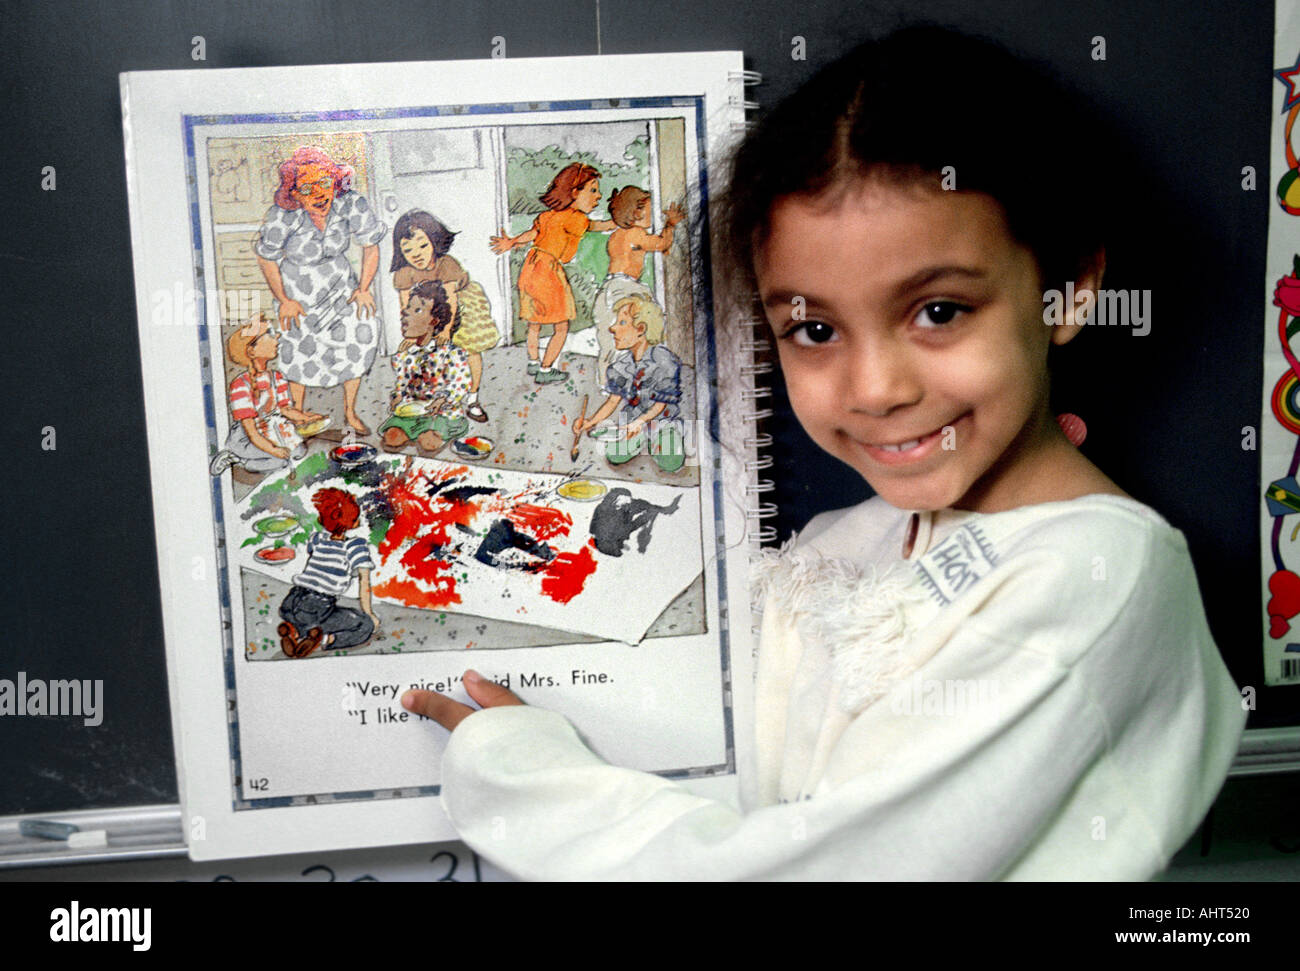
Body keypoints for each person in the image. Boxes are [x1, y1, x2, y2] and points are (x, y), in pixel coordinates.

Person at [400, 25, 1247, 879]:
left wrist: (517, 771)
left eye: (940, 311)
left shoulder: (1098, 575)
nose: (874, 387)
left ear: (1067, 291)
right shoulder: (845, 543)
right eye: (813, 329)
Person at [255, 146, 387, 437]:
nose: (318, 192)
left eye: (325, 183)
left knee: (360, 332)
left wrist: (364, 289)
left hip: (340, 285)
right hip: (297, 291)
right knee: (297, 348)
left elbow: (370, 244)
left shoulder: (350, 203)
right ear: (295, 193)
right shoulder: (283, 216)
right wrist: (284, 300)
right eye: (307, 187)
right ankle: (297, 415)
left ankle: (350, 412)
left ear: (335, 183)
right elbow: (266, 256)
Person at [490, 163, 616, 384]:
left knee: (534, 323)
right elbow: (598, 227)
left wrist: (511, 242)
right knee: (561, 326)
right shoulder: (575, 218)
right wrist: (618, 222)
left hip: (531, 267)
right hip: (548, 271)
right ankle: (546, 370)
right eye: (593, 190)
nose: (598, 196)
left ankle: (533, 362)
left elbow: (532, 233)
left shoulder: (548, 216)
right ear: (575, 192)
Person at [390, 210, 498, 423]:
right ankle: (435, 398)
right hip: (428, 307)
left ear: (434, 241)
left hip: (461, 303)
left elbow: (451, 299)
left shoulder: (447, 264)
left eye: (422, 245)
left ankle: (473, 399)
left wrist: (447, 330)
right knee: (429, 353)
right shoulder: (403, 272)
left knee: (468, 349)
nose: (416, 254)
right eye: (408, 249)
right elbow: (405, 305)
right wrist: (412, 333)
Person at [574, 295, 685, 473]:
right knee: (614, 455)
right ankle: (639, 439)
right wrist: (590, 422)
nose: (612, 328)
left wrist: (641, 422)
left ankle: (662, 438)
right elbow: (612, 401)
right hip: (631, 423)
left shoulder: (665, 362)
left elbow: (660, 405)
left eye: (622, 323)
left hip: (661, 420)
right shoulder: (620, 366)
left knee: (671, 463)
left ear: (641, 329)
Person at [591, 187, 685, 391]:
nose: (654, 216)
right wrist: (670, 225)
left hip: (609, 286)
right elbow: (662, 243)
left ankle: (606, 383)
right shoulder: (636, 234)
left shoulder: (617, 235)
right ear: (638, 212)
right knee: (642, 328)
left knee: (608, 339)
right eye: (652, 210)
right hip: (625, 288)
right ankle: (640, 377)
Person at [209, 313, 321, 477]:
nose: (277, 336)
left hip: (273, 428)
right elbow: (252, 432)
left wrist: (305, 418)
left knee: (299, 451)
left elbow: (285, 409)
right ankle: (236, 458)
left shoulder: (277, 377)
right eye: (269, 333)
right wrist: (273, 449)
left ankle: (265, 455)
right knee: (279, 461)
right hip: (247, 438)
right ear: (252, 350)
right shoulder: (240, 385)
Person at [278, 488, 379, 658]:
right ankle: (325, 639)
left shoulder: (317, 538)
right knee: (364, 625)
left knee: (307, 618)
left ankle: (294, 630)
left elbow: (318, 562)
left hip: (291, 601)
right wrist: (370, 615)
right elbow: (364, 585)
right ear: (352, 523)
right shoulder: (356, 546)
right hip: (317, 606)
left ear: (321, 519)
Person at [378, 280, 472, 455]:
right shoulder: (407, 354)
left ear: (434, 321)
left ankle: (436, 432)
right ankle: (415, 430)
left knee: (428, 442)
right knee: (391, 438)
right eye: (407, 309)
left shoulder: (449, 352)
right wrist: (398, 396)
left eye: (417, 310)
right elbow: (403, 381)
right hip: (413, 410)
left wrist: (443, 399)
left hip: (441, 412)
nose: (405, 314)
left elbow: (461, 383)